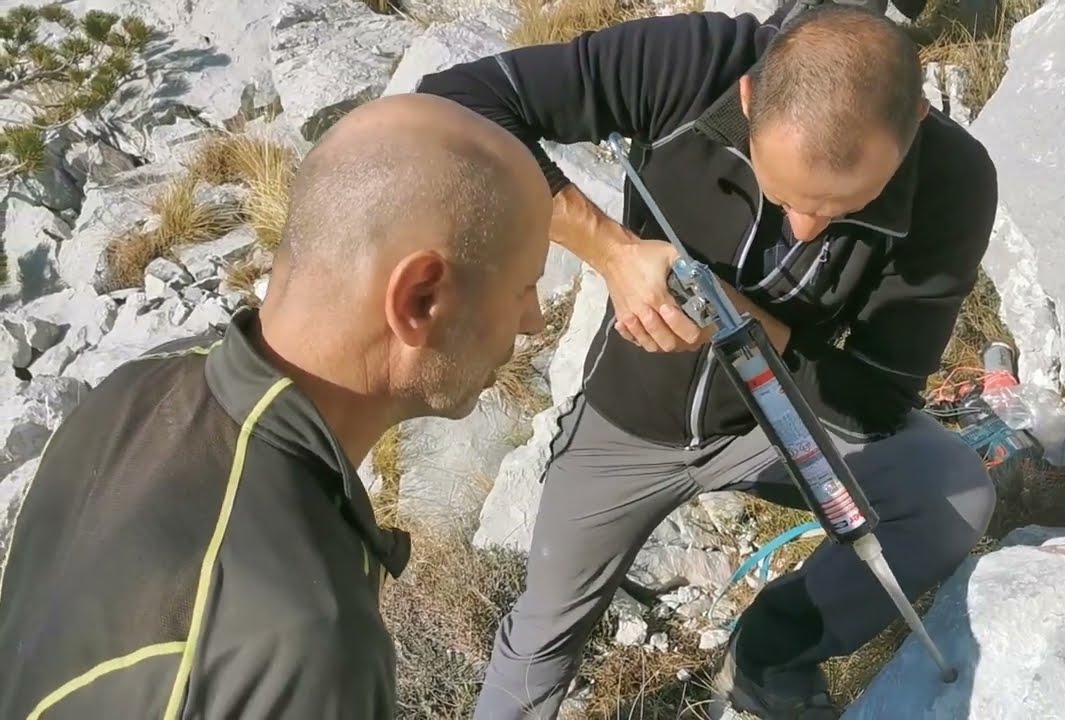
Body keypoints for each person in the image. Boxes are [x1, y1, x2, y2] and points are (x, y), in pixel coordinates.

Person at [416, 2, 1001, 718]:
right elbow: (451, 104)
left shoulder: (952, 178)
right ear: (749, 100)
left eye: (843, 207)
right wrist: (612, 251)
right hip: (627, 421)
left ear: (916, 125)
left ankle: (769, 655)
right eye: (785, 195)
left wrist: (739, 321)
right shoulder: (696, 65)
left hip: (781, 416)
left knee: (949, 494)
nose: (806, 228)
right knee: (543, 635)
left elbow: (875, 399)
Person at [0, 93, 552, 719]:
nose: (534, 320)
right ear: (420, 301)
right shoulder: (309, 645)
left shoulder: (133, 388)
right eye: (524, 288)